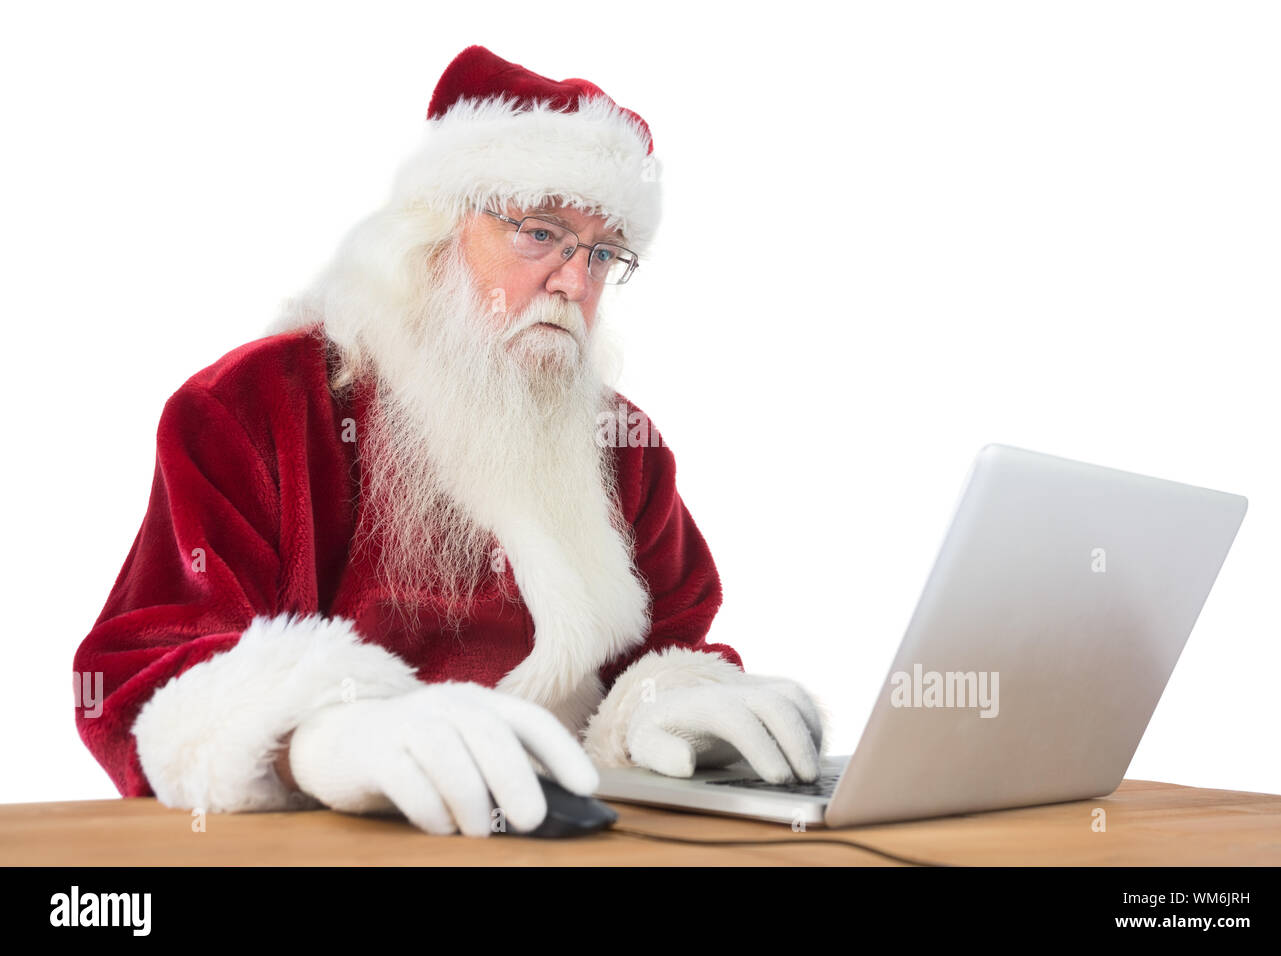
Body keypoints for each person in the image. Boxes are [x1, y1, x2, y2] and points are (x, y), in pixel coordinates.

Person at [72, 45, 828, 837]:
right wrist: (320, 737)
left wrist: (669, 703)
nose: (575, 283)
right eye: (542, 233)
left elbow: (670, 640)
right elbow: (138, 673)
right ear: (432, 233)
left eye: (602, 254)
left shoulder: (622, 444)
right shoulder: (254, 407)